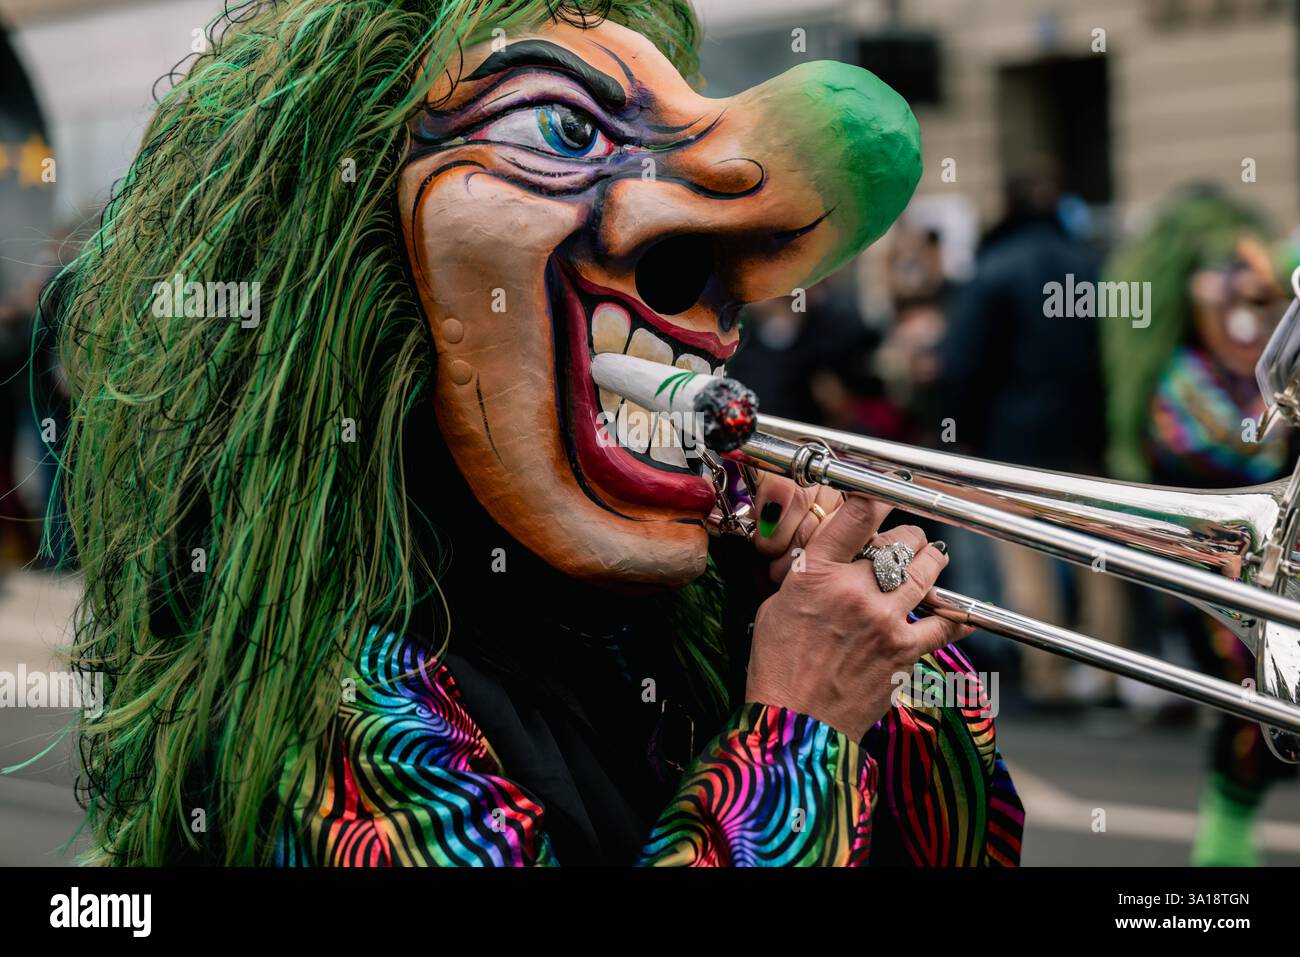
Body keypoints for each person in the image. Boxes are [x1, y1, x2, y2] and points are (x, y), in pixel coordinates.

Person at [44, 0, 1021, 866]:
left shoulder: (697, 622)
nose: (706, 285)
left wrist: (876, 651)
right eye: (561, 128)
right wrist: (800, 732)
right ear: (352, 274)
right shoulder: (322, 712)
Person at [1103, 187, 1298, 866]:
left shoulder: (1264, 364)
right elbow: (1246, 446)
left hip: (1276, 569)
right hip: (1214, 575)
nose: (1243, 310)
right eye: (1223, 288)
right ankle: (1220, 862)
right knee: (1256, 709)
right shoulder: (1181, 379)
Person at [939, 159, 1126, 708]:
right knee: (1097, 557)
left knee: (1025, 557)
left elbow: (962, 364)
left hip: (1013, 441)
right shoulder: (1091, 266)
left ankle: (1045, 675)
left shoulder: (993, 268)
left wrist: (960, 431)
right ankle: (1109, 673)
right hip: (1084, 434)